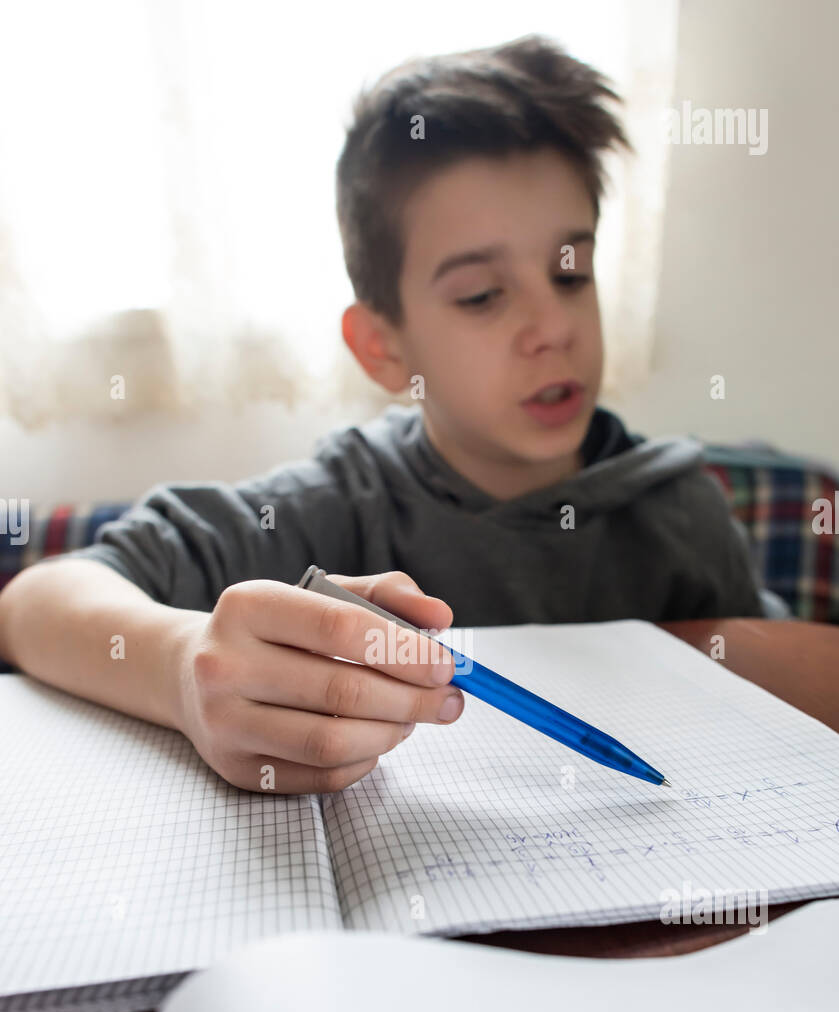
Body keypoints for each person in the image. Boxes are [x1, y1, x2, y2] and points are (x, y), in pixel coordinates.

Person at [0, 35, 763, 795]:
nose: (552, 328)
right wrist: (179, 668)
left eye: (571, 273)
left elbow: (762, 685)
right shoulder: (328, 507)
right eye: (481, 296)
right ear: (382, 348)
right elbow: (36, 602)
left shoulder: (682, 514)